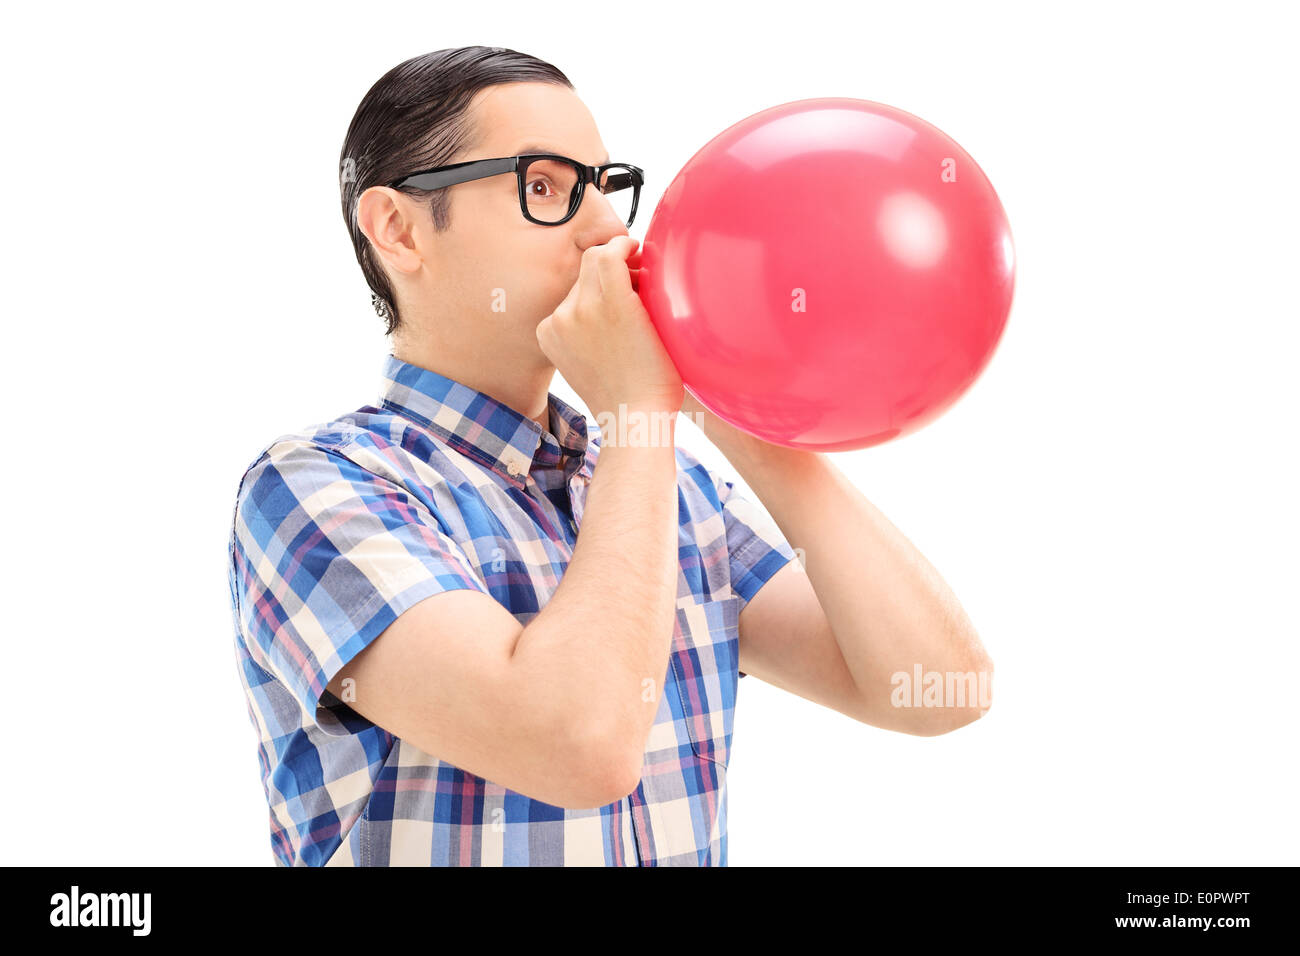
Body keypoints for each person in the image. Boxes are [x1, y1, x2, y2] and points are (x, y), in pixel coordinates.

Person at [226, 45, 994, 867]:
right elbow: (577, 744)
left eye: (604, 186)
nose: (608, 230)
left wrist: (733, 407)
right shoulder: (319, 486)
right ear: (401, 230)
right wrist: (638, 412)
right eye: (546, 187)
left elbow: (936, 689)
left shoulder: (668, 482)